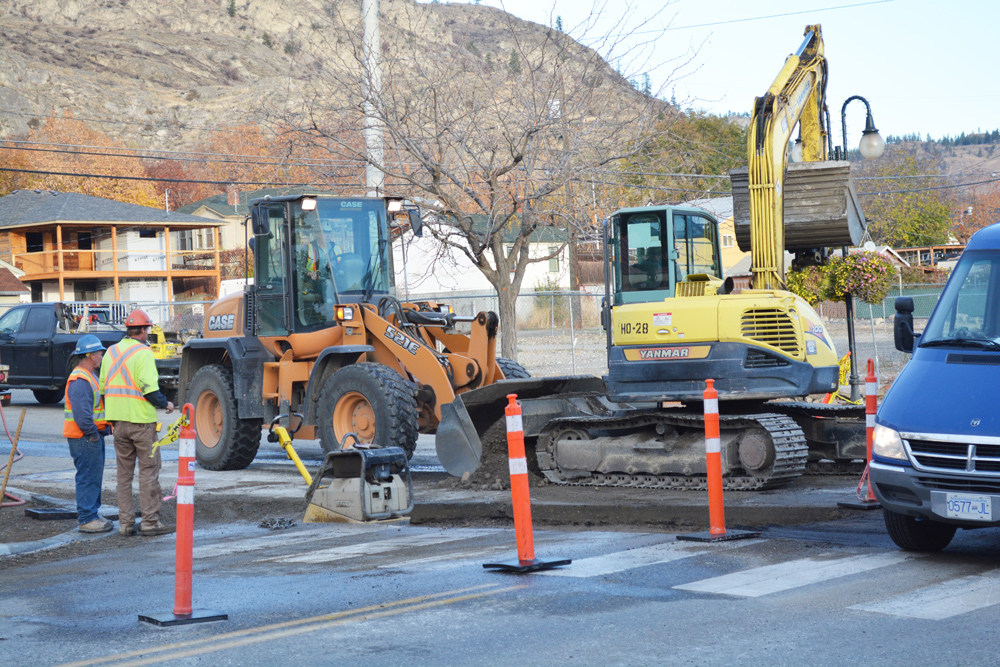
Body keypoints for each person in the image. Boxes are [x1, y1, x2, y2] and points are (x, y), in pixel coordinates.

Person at [99, 309, 175, 537]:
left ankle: (125, 524)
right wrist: (166, 404)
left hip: (118, 423)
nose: (148, 333)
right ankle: (150, 522)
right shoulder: (144, 353)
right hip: (141, 422)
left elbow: (103, 388)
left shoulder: (111, 352)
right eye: (148, 329)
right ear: (143, 330)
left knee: (124, 475)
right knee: (148, 472)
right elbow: (149, 389)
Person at [64, 335, 113, 533]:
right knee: (87, 476)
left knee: (92, 476)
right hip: (85, 438)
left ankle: (91, 514)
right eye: (100, 353)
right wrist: (93, 434)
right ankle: (86, 518)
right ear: (91, 355)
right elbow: (83, 417)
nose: (102, 356)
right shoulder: (81, 379)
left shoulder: (88, 377)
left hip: (90, 437)